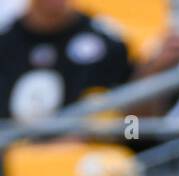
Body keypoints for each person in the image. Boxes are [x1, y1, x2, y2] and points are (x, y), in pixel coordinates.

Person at [0, 0, 133, 122]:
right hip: (10, 143)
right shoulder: (5, 40)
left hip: (85, 145)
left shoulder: (106, 41)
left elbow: (133, 115)